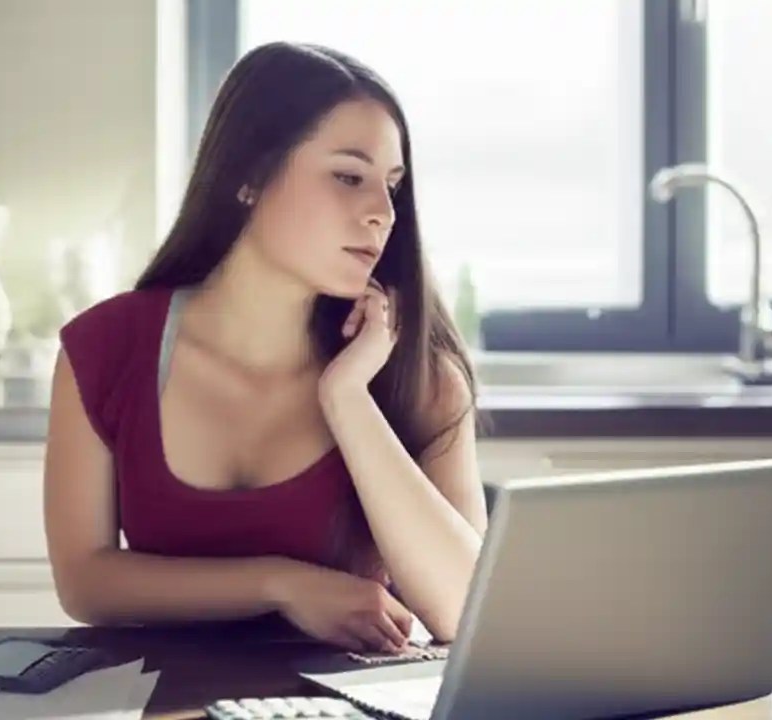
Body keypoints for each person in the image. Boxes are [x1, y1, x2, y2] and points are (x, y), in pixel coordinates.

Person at [42, 41, 488, 654]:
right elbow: (86, 582)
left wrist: (347, 397)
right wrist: (281, 584)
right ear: (249, 175)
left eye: (391, 186)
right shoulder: (105, 349)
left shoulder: (417, 376)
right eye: (348, 177)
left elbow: (468, 612)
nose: (383, 212)